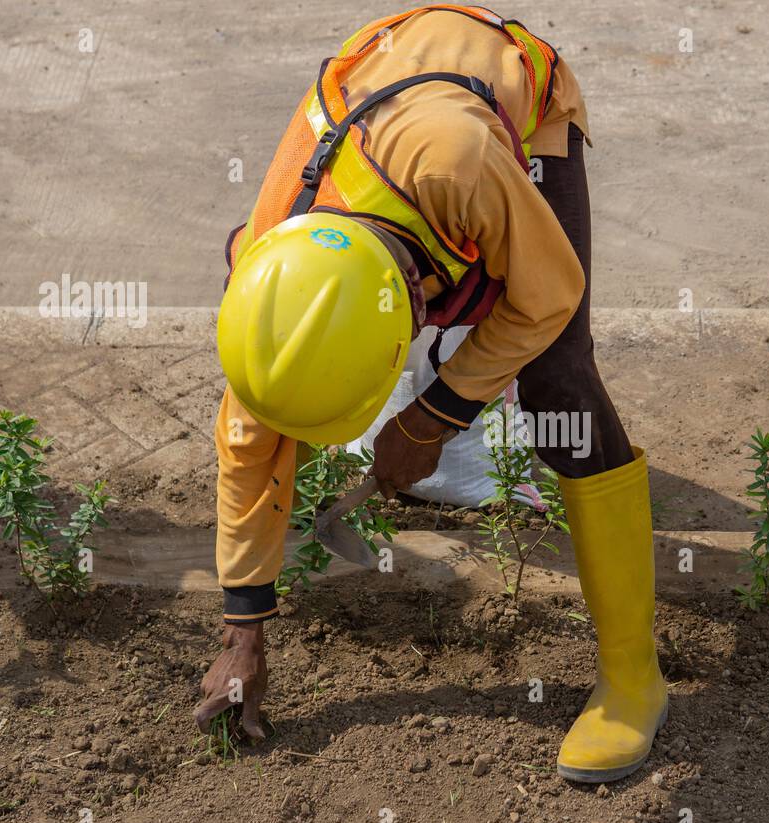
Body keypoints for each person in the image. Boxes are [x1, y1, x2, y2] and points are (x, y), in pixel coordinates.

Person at [197, 5, 666, 782]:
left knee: (557, 384)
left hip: (504, 104)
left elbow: (547, 296)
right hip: (382, 95)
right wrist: (242, 629)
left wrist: (433, 416)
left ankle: (634, 680)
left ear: (420, 297)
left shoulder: (464, 166)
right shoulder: (271, 267)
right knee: (301, 377)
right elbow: (253, 436)